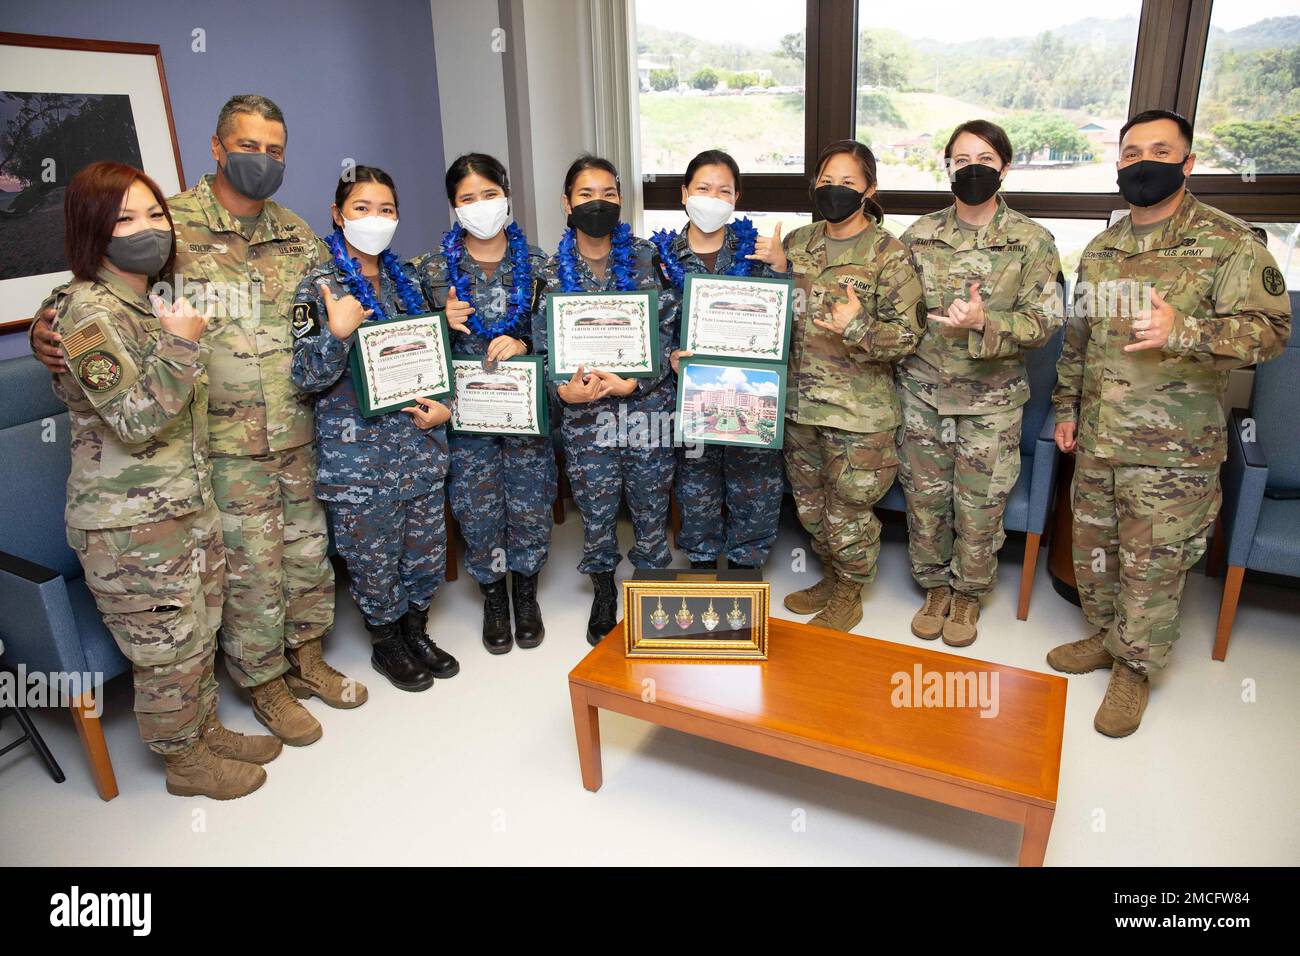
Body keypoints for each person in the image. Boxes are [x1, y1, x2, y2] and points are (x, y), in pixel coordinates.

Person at [31, 95, 359, 747]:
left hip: (294, 430)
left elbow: (306, 323)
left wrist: (326, 340)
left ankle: (309, 657)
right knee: (251, 569)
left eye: (273, 150)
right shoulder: (168, 227)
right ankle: (263, 682)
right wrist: (50, 328)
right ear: (216, 147)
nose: (260, 161)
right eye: (246, 147)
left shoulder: (295, 235)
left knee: (305, 554)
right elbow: (101, 294)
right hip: (214, 444)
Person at [1048, 109, 1291, 737]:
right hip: (1099, 439)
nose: (1142, 162)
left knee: (1152, 565)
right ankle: (1106, 639)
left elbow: (1271, 335)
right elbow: (1078, 339)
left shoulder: (1230, 242)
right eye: (1131, 153)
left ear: (1187, 163)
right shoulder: (1103, 249)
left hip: (1174, 453)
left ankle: (1135, 669)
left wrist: (1183, 331)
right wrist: (1066, 411)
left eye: (1159, 150)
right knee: (1096, 553)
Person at [52, 161, 280, 799]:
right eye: (125, 217)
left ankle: (205, 729)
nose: (146, 228)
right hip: (129, 526)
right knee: (165, 653)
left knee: (199, 632)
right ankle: (184, 763)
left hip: (185, 505)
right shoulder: (81, 313)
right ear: (92, 228)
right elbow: (135, 417)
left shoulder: (154, 299)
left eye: (155, 213)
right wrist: (182, 343)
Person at [898, 120, 1064, 647]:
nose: (973, 169)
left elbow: (1045, 323)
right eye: (962, 159)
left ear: (1005, 169)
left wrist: (986, 324)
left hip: (990, 401)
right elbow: (897, 312)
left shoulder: (1032, 242)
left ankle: (968, 592)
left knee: (980, 503)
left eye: (985, 160)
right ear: (947, 166)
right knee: (924, 498)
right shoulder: (918, 236)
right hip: (922, 394)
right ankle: (934, 587)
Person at [292, 166, 458, 691]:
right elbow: (304, 376)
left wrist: (445, 407)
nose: (376, 218)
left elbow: (435, 359)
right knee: (373, 560)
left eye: (387, 209)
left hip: (420, 447)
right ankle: (387, 642)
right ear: (338, 216)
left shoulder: (409, 281)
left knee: (426, 553)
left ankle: (417, 630)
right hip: (359, 460)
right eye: (362, 208)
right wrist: (337, 335)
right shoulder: (318, 286)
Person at [780, 140, 925, 631]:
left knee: (849, 510)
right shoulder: (797, 243)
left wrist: (859, 327)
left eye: (848, 183)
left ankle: (851, 590)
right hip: (799, 406)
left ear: (869, 190)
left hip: (858, 415)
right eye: (826, 182)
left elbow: (908, 337)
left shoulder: (891, 254)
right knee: (811, 507)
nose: (834, 191)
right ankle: (832, 575)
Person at [534, 155, 676, 645]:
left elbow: (672, 336)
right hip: (586, 419)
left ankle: (652, 588)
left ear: (622, 199)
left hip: (646, 414)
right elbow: (542, 348)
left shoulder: (648, 258)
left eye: (609, 194)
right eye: (586, 195)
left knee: (651, 504)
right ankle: (603, 591)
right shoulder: (548, 274)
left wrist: (638, 383)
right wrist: (562, 390)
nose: (599, 203)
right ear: (566, 203)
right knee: (595, 511)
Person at [415, 153, 553, 654]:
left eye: (489, 194)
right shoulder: (429, 270)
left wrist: (526, 344)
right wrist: (439, 320)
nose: (480, 206)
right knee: (477, 508)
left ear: (507, 193)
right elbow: (407, 345)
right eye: (467, 199)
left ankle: (527, 595)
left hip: (524, 417)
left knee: (530, 503)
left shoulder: (539, 264)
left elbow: (562, 337)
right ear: (453, 207)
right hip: (466, 418)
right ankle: (495, 598)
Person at [652, 149, 791, 571]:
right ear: (684, 194)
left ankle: (747, 570)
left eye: (723, 190)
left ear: (736, 198)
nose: (713, 197)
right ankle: (702, 567)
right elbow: (646, 330)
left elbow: (783, 322)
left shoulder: (759, 254)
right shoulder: (656, 259)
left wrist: (784, 268)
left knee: (755, 487)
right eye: (703, 188)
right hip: (689, 397)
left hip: (751, 391)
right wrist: (669, 357)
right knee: (696, 487)